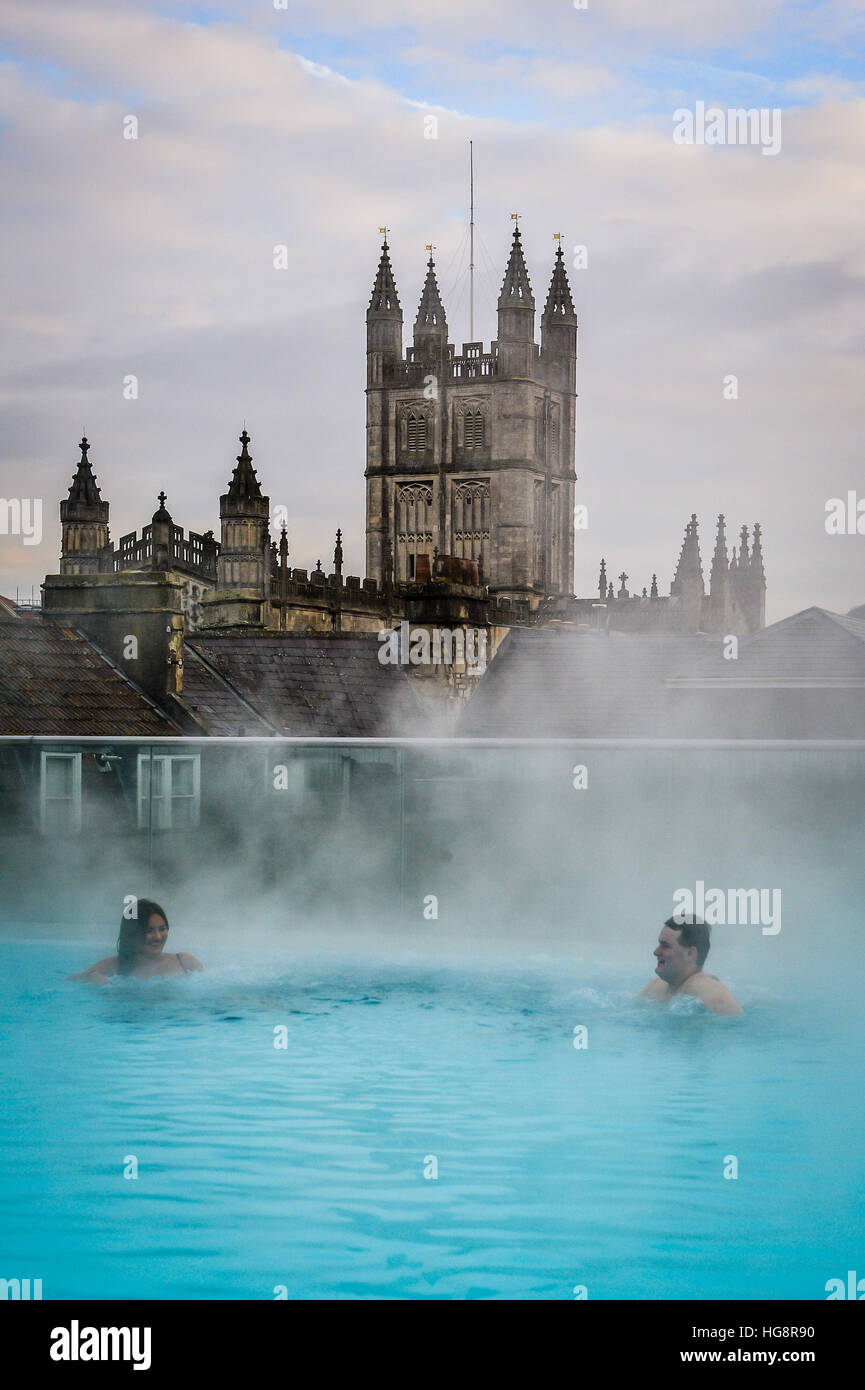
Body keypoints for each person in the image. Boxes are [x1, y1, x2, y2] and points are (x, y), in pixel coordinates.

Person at [69, 900, 203, 984]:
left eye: (162, 929)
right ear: (132, 935)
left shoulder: (185, 962)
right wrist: (94, 979)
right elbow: (74, 980)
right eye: (149, 930)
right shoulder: (116, 965)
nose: (158, 936)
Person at [638, 915, 741, 1015]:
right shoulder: (656, 985)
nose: (656, 952)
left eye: (665, 946)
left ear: (690, 953)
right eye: (659, 944)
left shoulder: (710, 991)